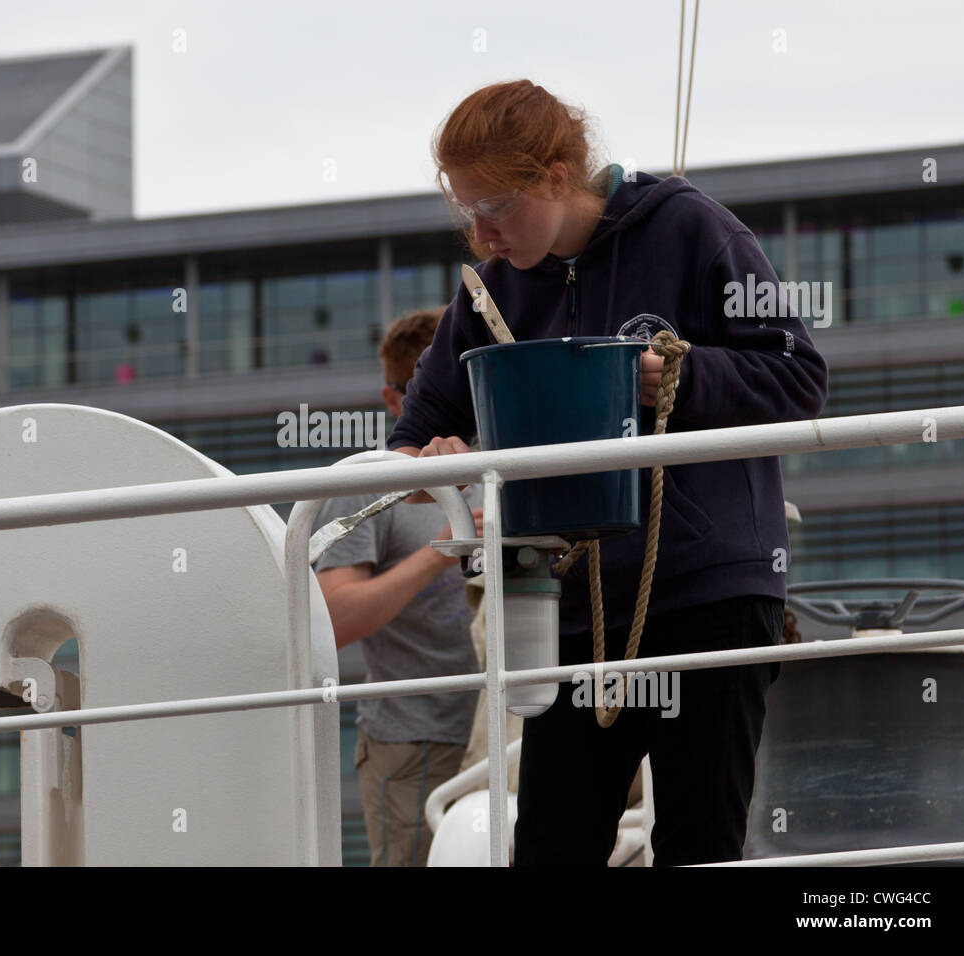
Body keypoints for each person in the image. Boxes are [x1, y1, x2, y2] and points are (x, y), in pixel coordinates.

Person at [387, 80, 829, 866]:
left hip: (710, 596)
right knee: (552, 847)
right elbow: (410, 443)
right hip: (569, 617)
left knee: (700, 843)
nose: (481, 235)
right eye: (466, 212)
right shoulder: (487, 293)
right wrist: (438, 466)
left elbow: (798, 376)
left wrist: (686, 381)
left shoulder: (690, 227)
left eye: (496, 207)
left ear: (558, 176)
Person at [313, 308, 484, 867]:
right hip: (416, 743)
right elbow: (333, 620)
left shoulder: (508, 462)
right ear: (394, 402)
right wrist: (443, 548)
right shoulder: (366, 483)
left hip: (517, 723)